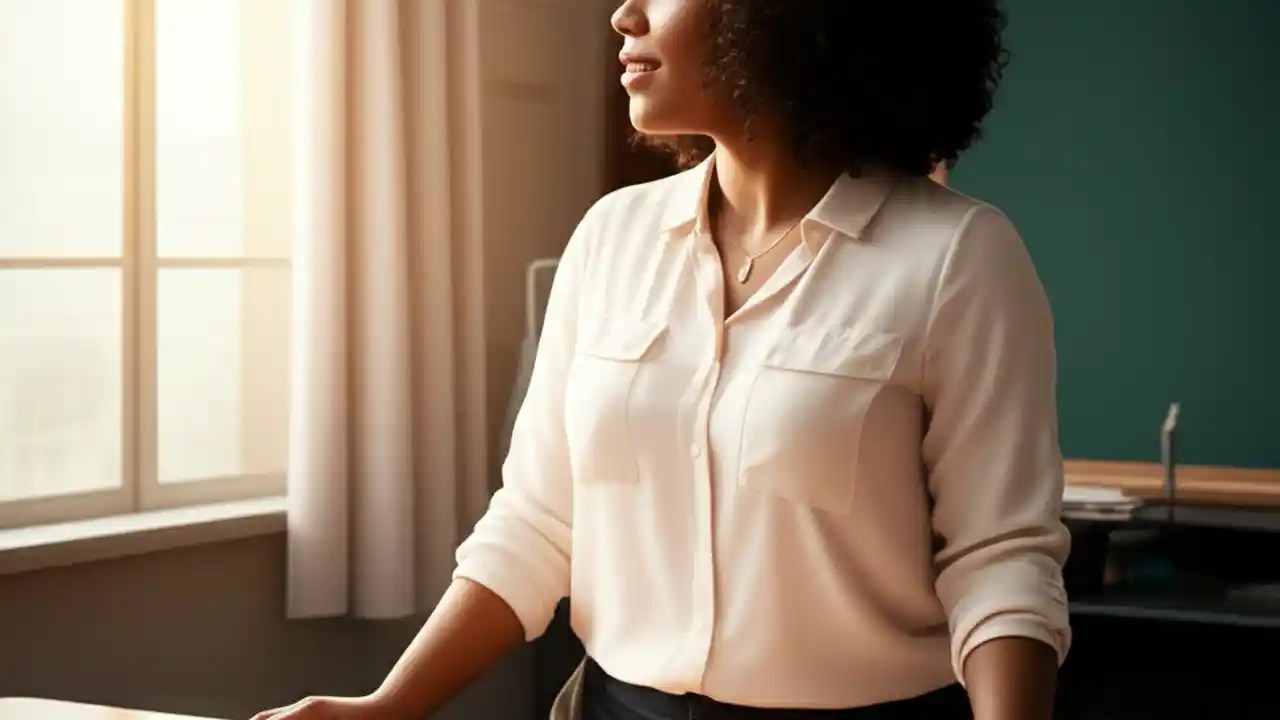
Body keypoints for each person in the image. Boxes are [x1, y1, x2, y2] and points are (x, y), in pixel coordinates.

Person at [253, 1, 1070, 718]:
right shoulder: (611, 237)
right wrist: (391, 708)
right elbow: (536, 522)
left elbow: (999, 563)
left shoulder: (958, 257)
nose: (624, 14)